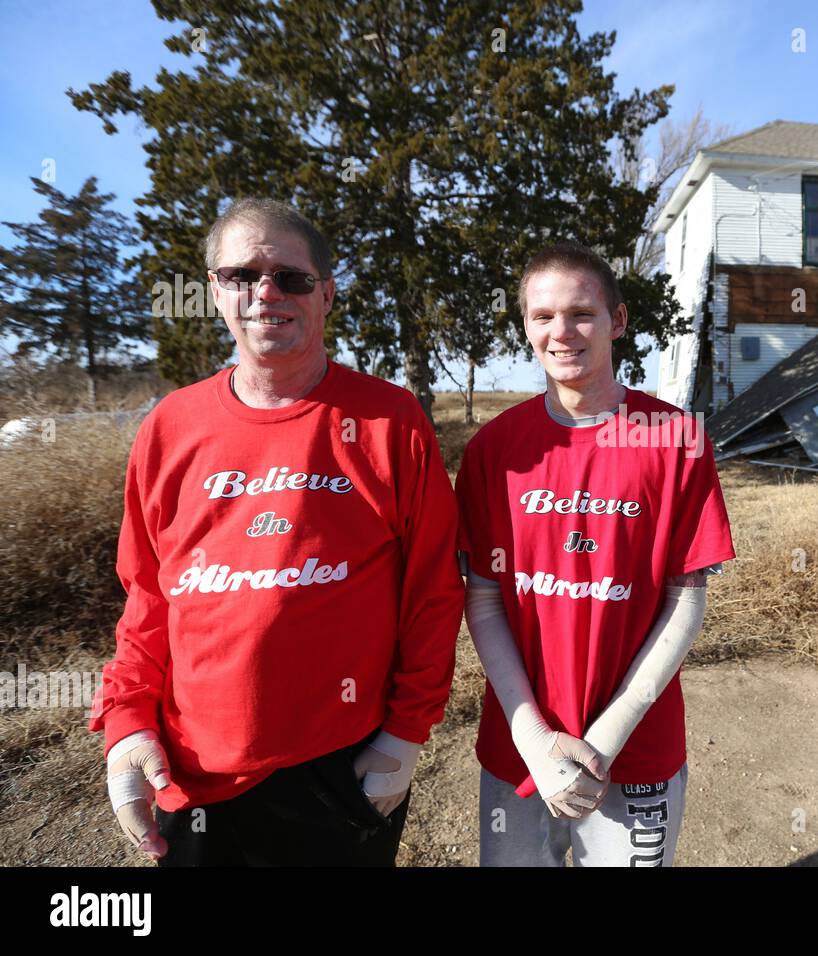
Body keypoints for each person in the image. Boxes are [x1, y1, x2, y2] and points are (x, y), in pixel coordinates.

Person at [89, 197, 464, 866]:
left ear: (326, 294)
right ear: (215, 291)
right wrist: (127, 725)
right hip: (192, 766)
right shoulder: (169, 428)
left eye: (291, 277)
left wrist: (405, 734)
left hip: (341, 763)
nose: (267, 293)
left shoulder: (390, 420)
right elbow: (147, 598)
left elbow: (433, 590)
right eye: (243, 275)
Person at [456, 241, 735, 866]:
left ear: (618, 320)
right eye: (543, 316)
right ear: (526, 326)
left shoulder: (677, 440)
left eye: (581, 313)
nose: (562, 332)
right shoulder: (494, 450)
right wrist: (535, 741)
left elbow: (685, 604)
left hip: (634, 753)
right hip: (519, 750)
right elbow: (485, 601)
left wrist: (606, 739)